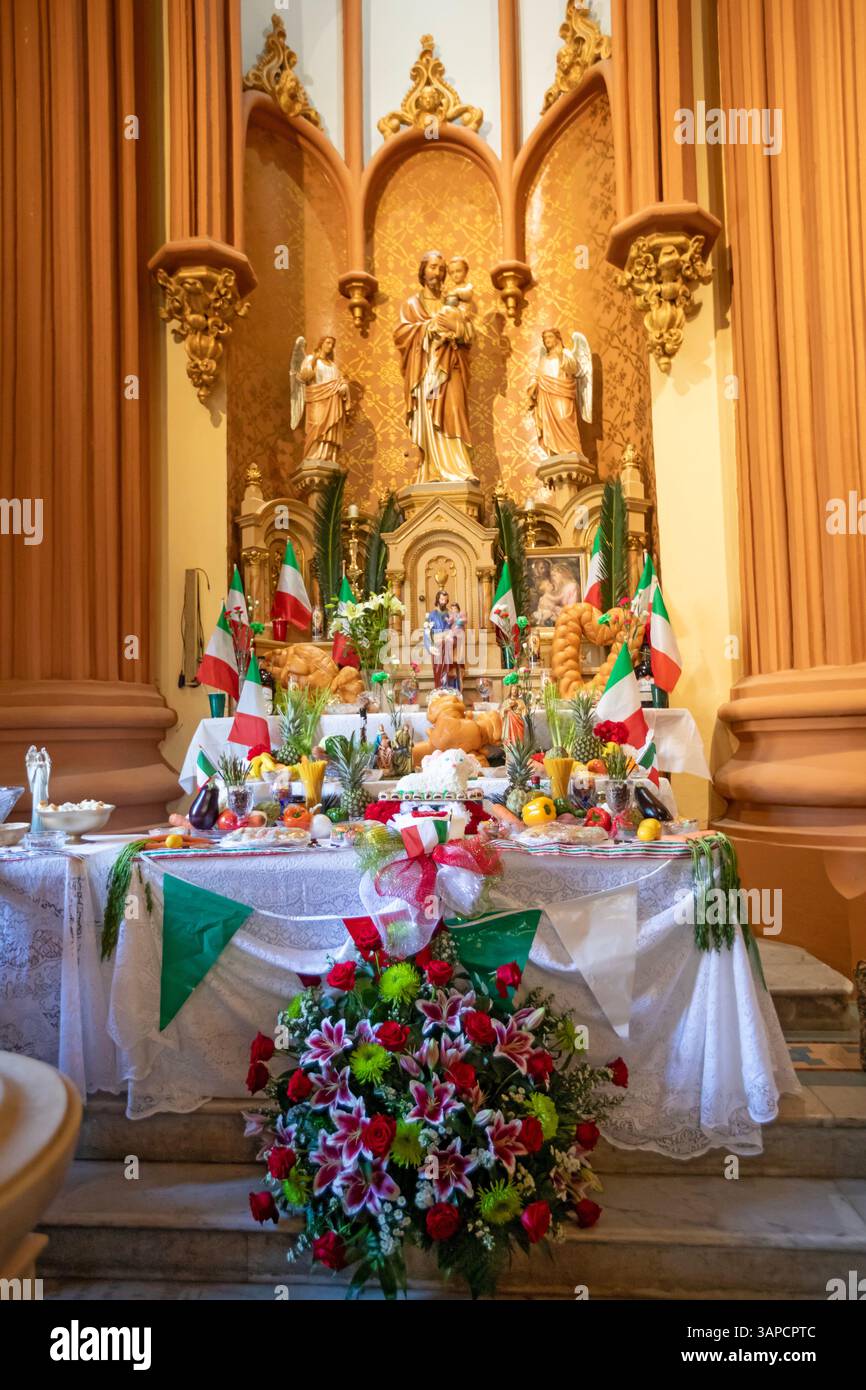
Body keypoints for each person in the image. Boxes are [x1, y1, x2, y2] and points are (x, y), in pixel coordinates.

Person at [394, 251, 475, 483]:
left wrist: (457, 329)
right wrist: (428, 328)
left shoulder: (451, 300)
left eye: (441, 268)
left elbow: (469, 334)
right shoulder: (412, 304)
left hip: (451, 368)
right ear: (423, 271)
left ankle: (458, 469)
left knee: (453, 410)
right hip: (425, 372)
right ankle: (431, 470)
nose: (437, 273)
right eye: (432, 267)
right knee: (429, 415)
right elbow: (400, 334)